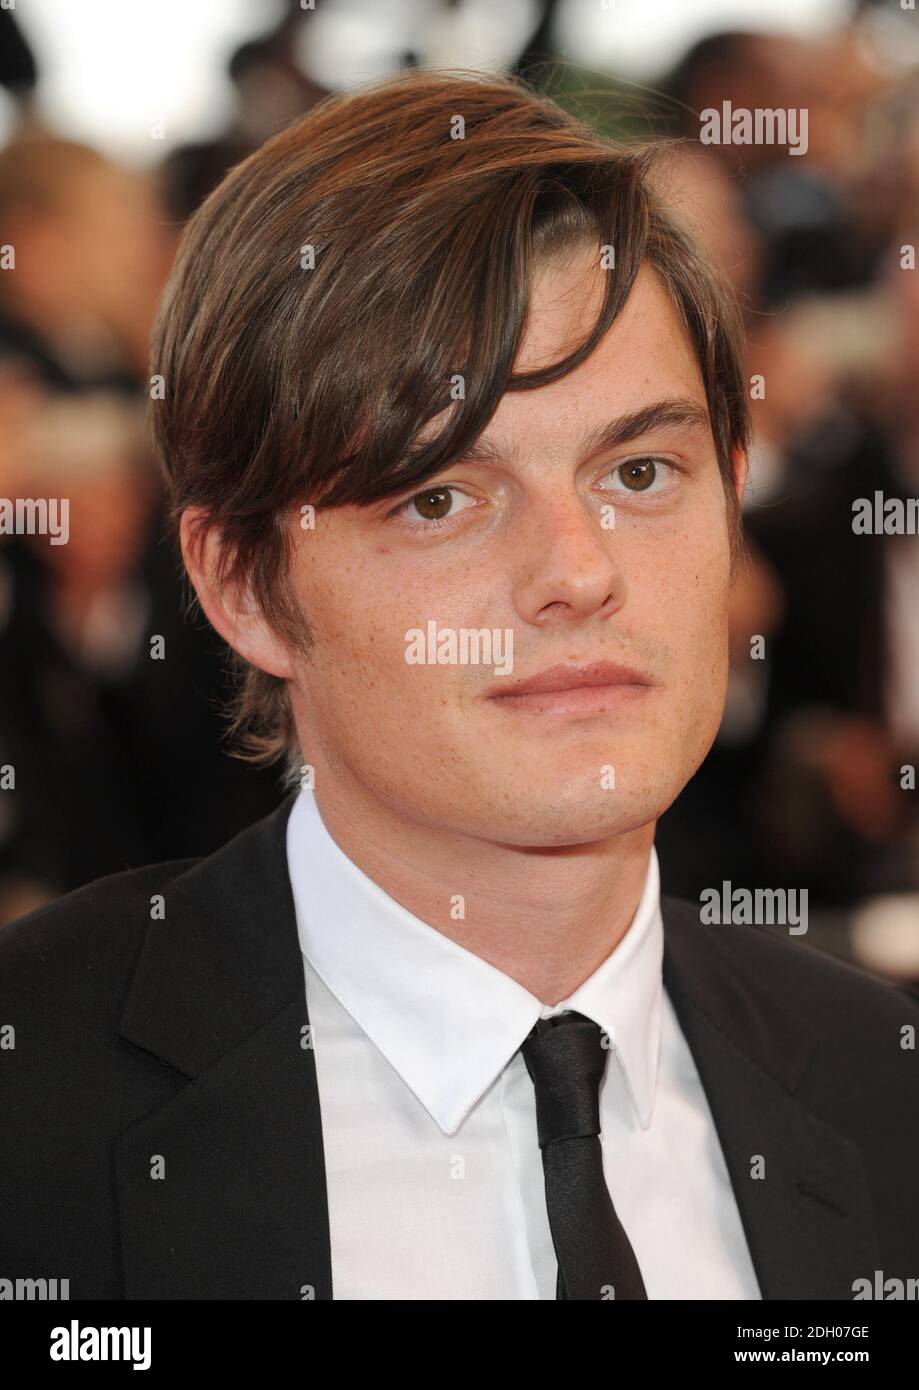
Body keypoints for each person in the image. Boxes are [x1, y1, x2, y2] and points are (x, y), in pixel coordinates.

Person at [0, 70, 916, 1301]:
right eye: (440, 497)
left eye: (640, 472)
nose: (577, 571)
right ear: (243, 585)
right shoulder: (33, 1112)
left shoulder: (883, 1090)